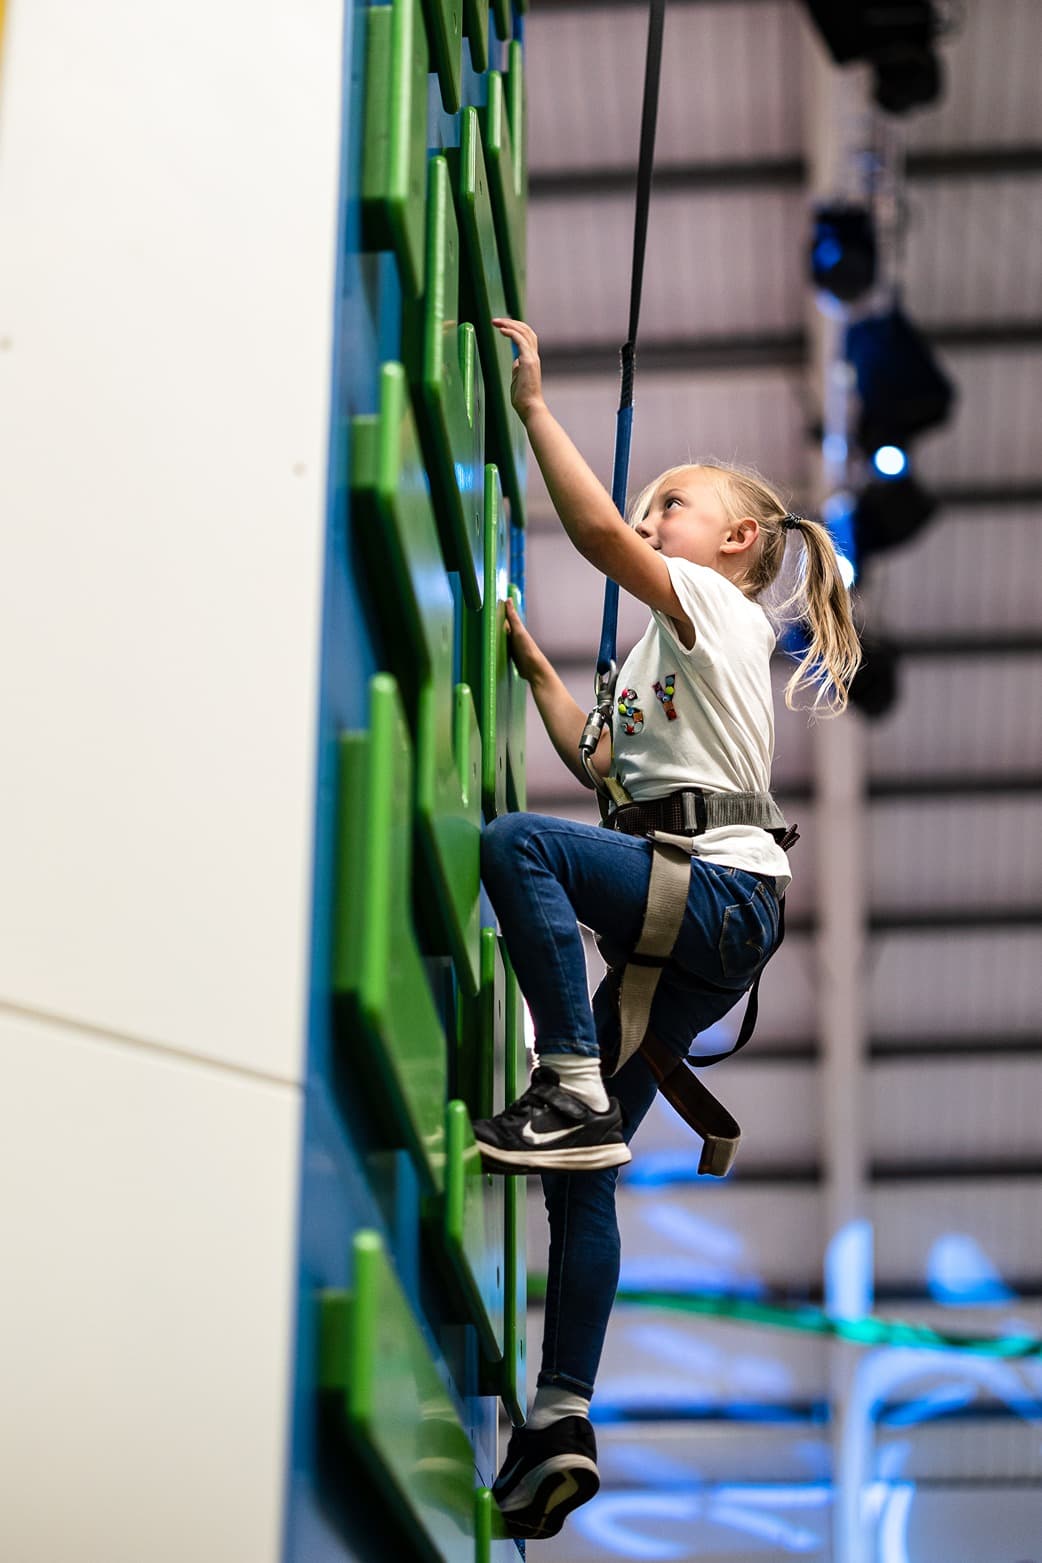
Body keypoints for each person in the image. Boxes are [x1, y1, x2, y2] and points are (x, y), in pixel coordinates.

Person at [474, 317, 861, 1541]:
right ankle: (559, 1421)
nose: (649, 523)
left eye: (672, 505)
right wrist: (536, 665)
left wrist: (537, 410)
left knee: (516, 846)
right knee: (584, 1181)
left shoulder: (716, 608)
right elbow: (594, 757)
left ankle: (568, 1077)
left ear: (736, 544)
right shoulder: (659, 659)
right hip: (700, 917)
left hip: (718, 891)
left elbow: (590, 532)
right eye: (650, 510)